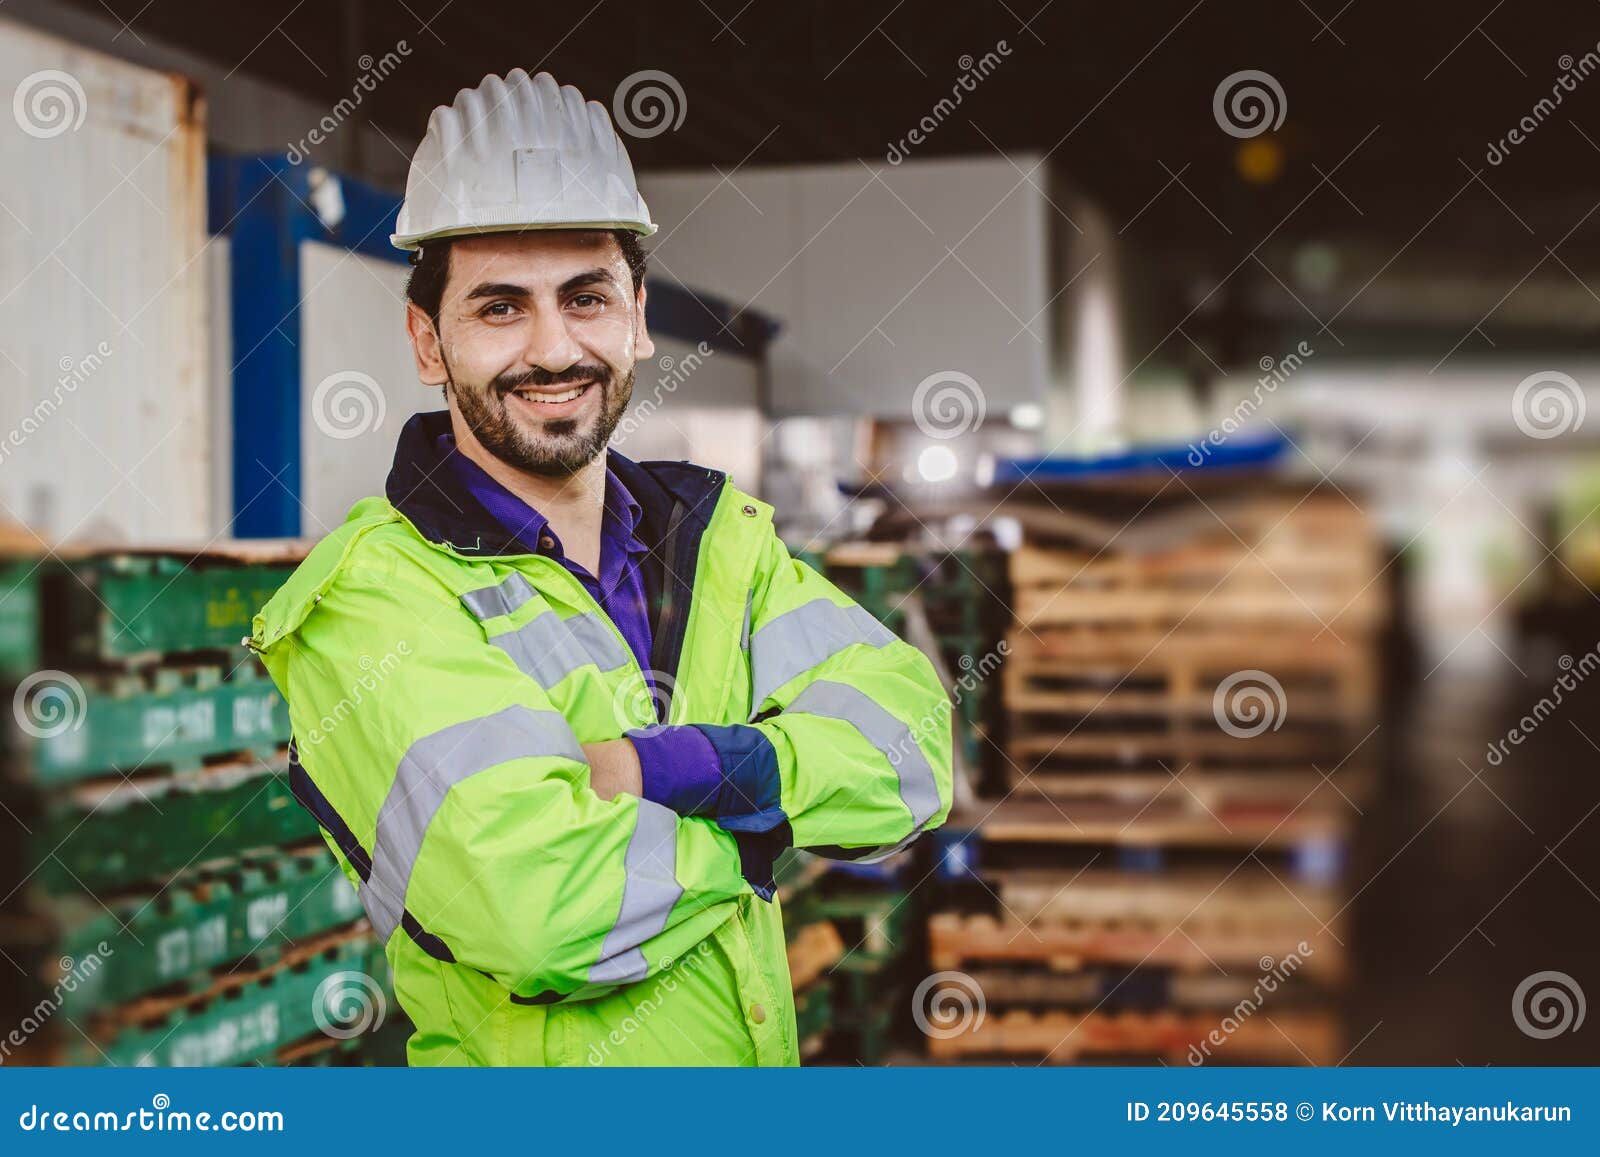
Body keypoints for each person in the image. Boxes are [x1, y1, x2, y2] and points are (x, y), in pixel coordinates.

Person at [251, 69, 953, 1066]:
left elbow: (913, 748)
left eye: (585, 297)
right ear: (427, 341)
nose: (552, 347)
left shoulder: (720, 542)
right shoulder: (370, 595)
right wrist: (771, 816)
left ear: (635, 318)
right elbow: (541, 907)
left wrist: (683, 766)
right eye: (499, 308)